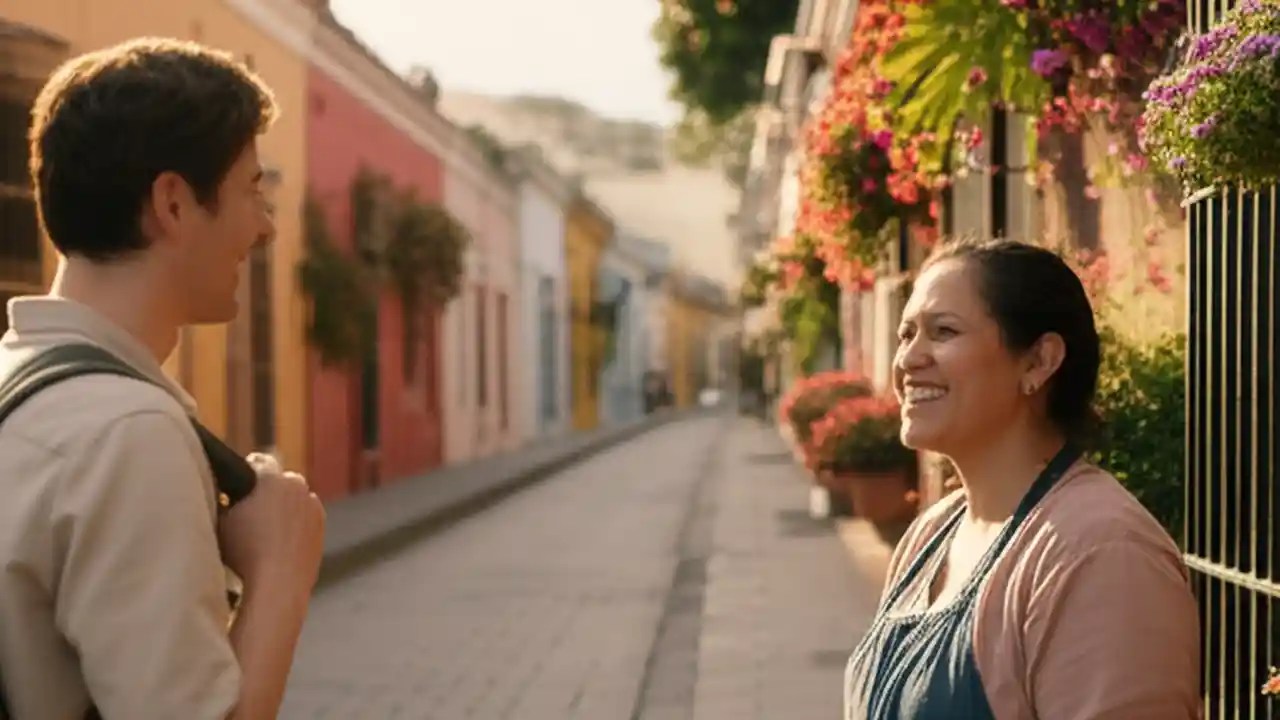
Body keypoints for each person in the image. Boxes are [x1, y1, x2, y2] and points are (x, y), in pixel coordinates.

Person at [0, 38, 325, 718]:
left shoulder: (18, 386)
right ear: (174, 204)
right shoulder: (129, 434)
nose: (264, 227)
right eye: (251, 191)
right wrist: (281, 573)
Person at [843, 238, 1200, 719]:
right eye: (907, 335)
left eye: (943, 331)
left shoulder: (1101, 555)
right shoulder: (932, 533)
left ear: (1038, 362)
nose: (908, 359)